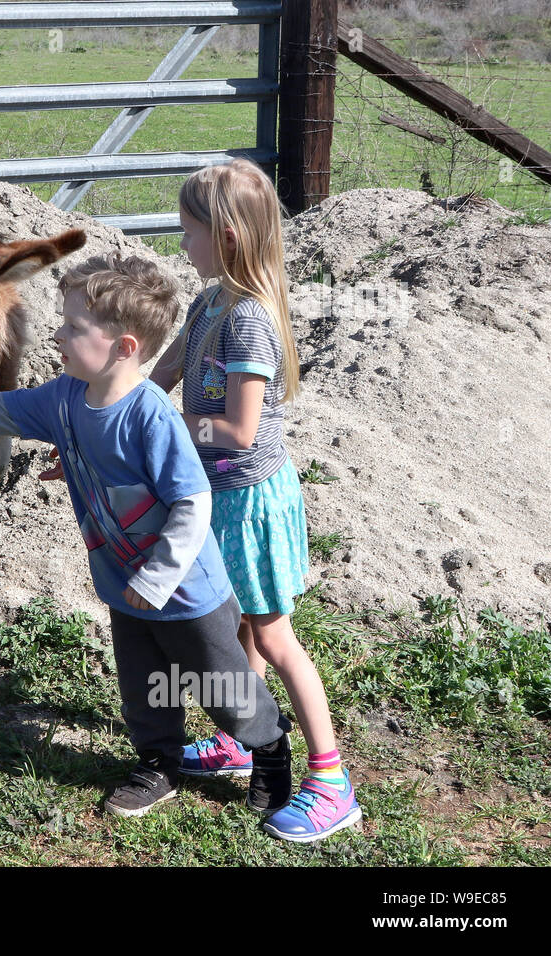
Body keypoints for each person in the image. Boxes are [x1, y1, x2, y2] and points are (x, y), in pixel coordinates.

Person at [0, 252, 293, 818]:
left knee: (223, 688)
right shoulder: (65, 398)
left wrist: (160, 577)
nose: (58, 335)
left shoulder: (151, 417)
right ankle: (158, 763)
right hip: (123, 583)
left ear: (123, 347)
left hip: (188, 592)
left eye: (73, 327)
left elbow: (193, 505)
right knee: (145, 688)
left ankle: (268, 747)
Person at [146, 159, 362, 842]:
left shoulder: (247, 322)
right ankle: (243, 740)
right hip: (216, 495)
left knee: (271, 635)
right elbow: (168, 370)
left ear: (229, 236)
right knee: (235, 626)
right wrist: (119, 415)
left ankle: (331, 780)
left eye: (190, 231)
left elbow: (239, 430)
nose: (182, 244)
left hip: (252, 500)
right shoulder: (208, 303)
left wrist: (170, 427)